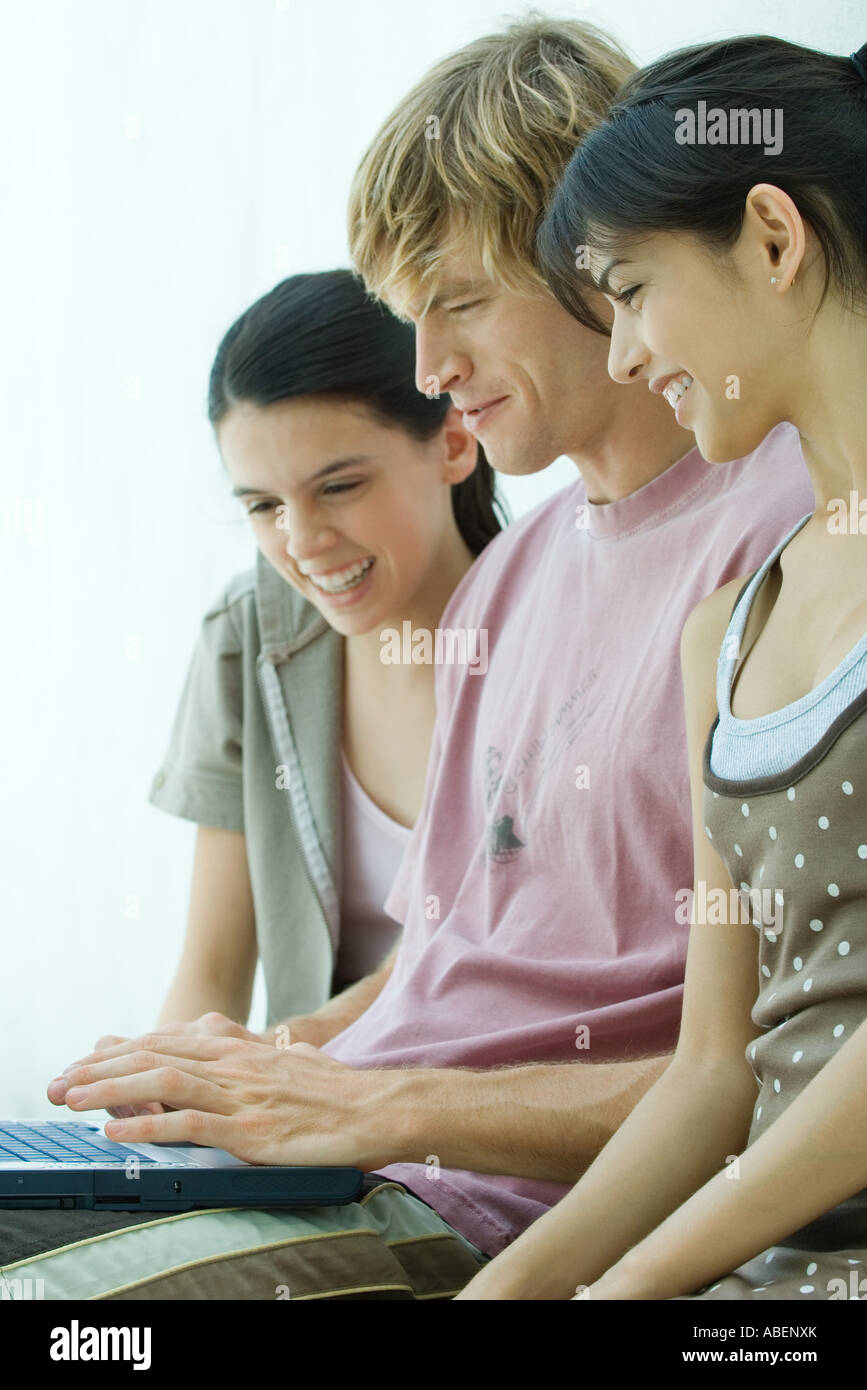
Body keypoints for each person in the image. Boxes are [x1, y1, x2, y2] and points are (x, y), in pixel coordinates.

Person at [21, 17, 811, 1301]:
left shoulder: (785, 535)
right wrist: (269, 1059)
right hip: (354, 1165)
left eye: (456, 304)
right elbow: (464, 957)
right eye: (407, 318)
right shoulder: (509, 580)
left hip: (480, 1210)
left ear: (593, 260)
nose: (431, 371)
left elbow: (757, 1063)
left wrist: (371, 1101)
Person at [458, 32, 867, 1300]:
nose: (625, 354)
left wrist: (631, 1291)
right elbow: (711, 1074)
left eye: (630, 289)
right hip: (766, 1277)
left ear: (772, 235)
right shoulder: (728, 632)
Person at [104, 267, 504, 1129]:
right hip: (298, 1133)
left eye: (339, 486)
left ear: (453, 442)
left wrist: (276, 1065)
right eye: (261, 505)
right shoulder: (249, 636)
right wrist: (149, 1137)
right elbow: (211, 972)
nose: (302, 542)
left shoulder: (548, 636)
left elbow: (471, 963)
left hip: (467, 1130)